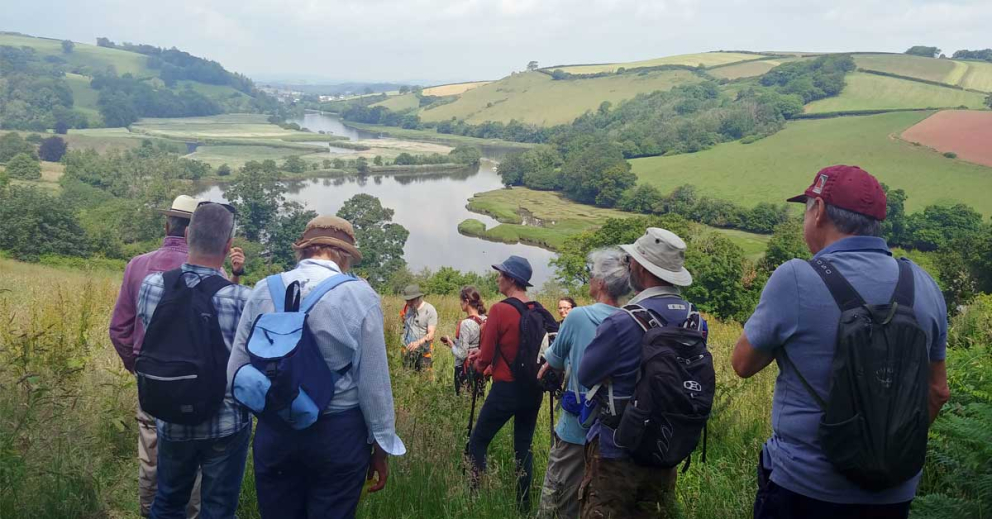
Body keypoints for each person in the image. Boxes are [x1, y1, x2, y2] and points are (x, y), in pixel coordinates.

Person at [731, 165, 950, 519]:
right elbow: (938, 391)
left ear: (818, 211)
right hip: (893, 495)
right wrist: (884, 449)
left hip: (804, 488)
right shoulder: (924, 284)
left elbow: (742, 365)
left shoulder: (795, 278)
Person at [227, 215, 404, 519]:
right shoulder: (360, 296)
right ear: (345, 256)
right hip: (337, 436)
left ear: (302, 250)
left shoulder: (262, 290)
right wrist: (381, 447)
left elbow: (237, 371)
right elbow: (374, 385)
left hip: (276, 431)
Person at [109, 195, 243, 518]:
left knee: (167, 497)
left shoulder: (152, 284)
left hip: (166, 406)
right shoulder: (239, 296)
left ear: (184, 234)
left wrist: (140, 370)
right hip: (222, 418)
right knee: (218, 507)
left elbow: (123, 329)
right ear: (227, 247)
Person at [577, 228, 705, 519]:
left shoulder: (623, 322)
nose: (629, 265)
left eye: (632, 260)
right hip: (666, 448)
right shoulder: (696, 321)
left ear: (642, 269)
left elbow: (586, 375)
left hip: (616, 452)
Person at [537, 248, 631, 519]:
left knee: (557, 501)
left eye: (592, 274)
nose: (589, 279)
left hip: (575, 429)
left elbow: (553, 360)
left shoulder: (578, 317)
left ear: (601, 283)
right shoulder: (631, 319)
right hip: (613, 434)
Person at [467, 255, 546, 511]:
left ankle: (474, 497)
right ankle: (523, 507)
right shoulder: (537, 309)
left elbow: (486, 358)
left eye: (501, 274)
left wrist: (476, 363)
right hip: (533, 389)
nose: (498, 277)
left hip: (505, 389)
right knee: (523, 447)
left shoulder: (500, 310)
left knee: (478, 441)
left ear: (511, 279)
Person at [439, 286, 487, 396]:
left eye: (461, 301)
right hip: (480, 368)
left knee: (464, 401)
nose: (460, 303)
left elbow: (462, 354)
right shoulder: (485, 319)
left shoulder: (466, 324)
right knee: (478, 401)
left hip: (465, 370)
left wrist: (451, 345)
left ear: (467, 301)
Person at [401, 284, 438, 372]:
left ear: (418, 298)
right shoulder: (407, 308)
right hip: (407, 351)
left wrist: (418, 343)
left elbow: (431, 334)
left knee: (425, 381)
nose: (408, 303)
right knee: (407, 380)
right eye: (407, 300)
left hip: (424, 353)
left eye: (411, 300)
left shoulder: (429, 310)